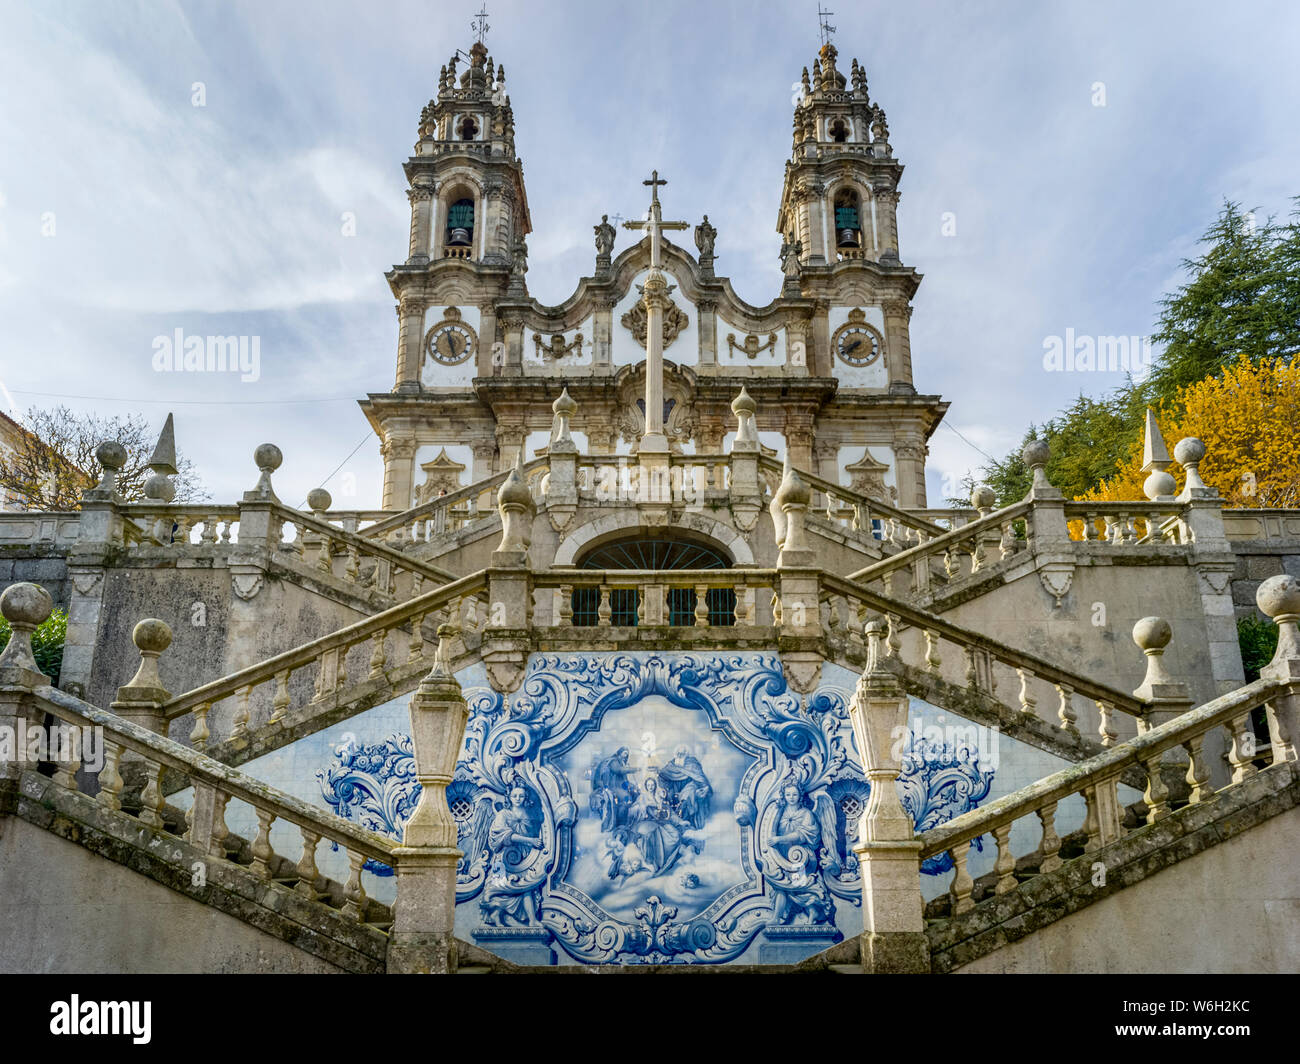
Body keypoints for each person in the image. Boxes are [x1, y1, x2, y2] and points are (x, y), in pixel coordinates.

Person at [480, 784, 544, 926]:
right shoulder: (503, 814)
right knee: (499, 887)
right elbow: (503, 834)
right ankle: (496, 915)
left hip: (524, 856)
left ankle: (532, 920)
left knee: (526, 886)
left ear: (525, 797)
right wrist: (530, 841)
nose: (517, 798)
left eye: (521, 796)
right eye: (515, 795)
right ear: (509, 796)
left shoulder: (531, 814)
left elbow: (535, 832)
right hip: (503, 856)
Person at [657, 745, 712, 830]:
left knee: (688, 795)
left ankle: (686, 822)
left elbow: (700, 778)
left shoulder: (692, 764)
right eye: (678, 753)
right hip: (675, 789)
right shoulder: (672, 764)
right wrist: (664, 788)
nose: (679, 755)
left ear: (686, 754)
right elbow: (662, 775)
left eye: (682, 753)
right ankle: (675, 823)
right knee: (668, 797)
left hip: (690, 788)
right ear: (675, 754)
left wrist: (704, 788)